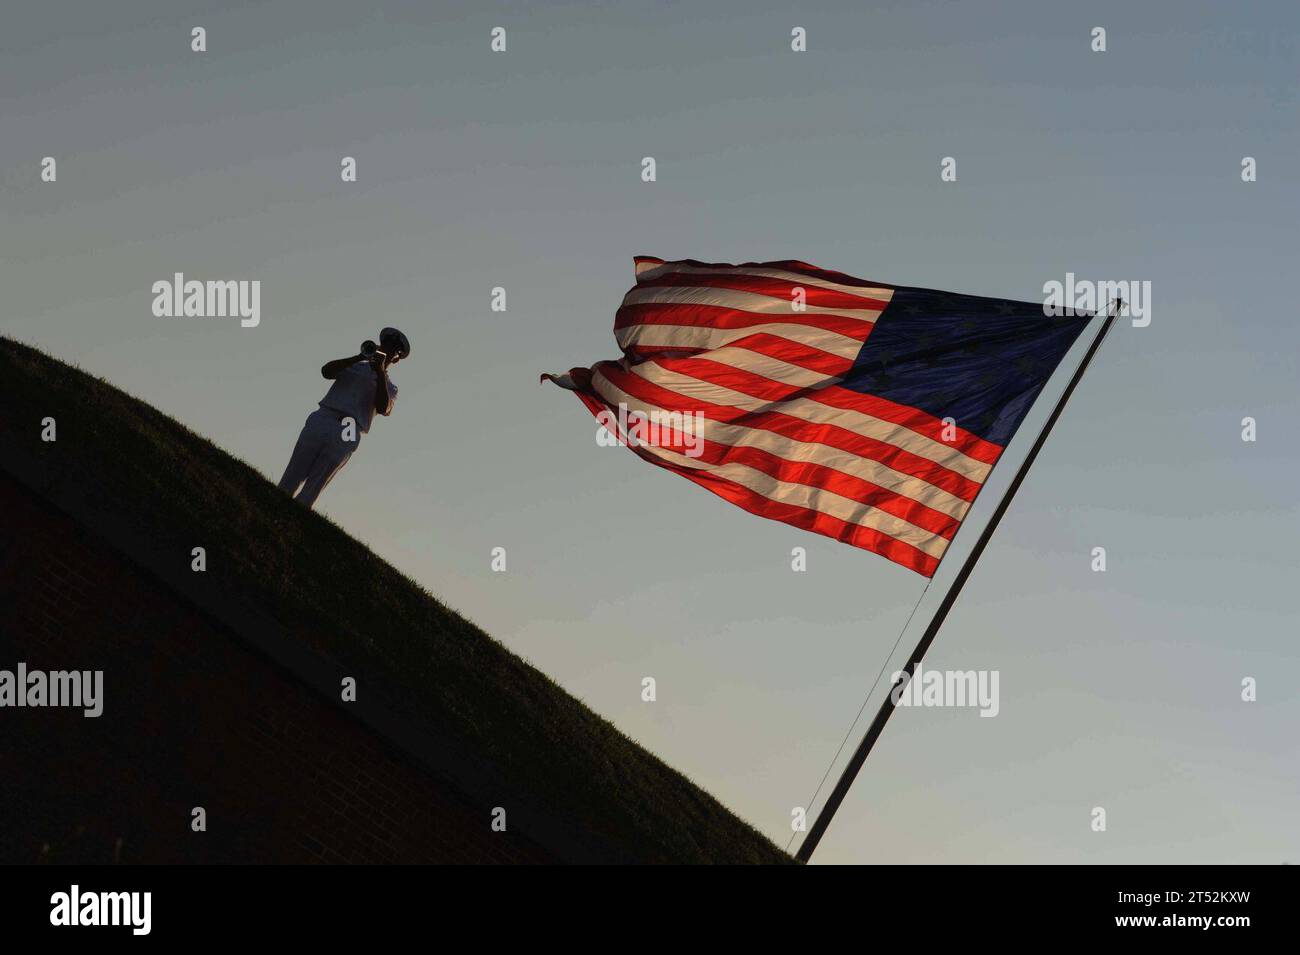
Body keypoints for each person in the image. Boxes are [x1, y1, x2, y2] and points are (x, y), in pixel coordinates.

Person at [277, 327, 411, 508]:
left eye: (392, 349)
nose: (386, 350)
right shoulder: (355, 365)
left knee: (315, 485)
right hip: (326, 415)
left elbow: (383, 407)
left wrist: (379, 372)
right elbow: (326, 371)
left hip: (350, 427)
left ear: (396, 358)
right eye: (385, 345)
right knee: (293, 474)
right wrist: (360, 356)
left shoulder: (390, 387)